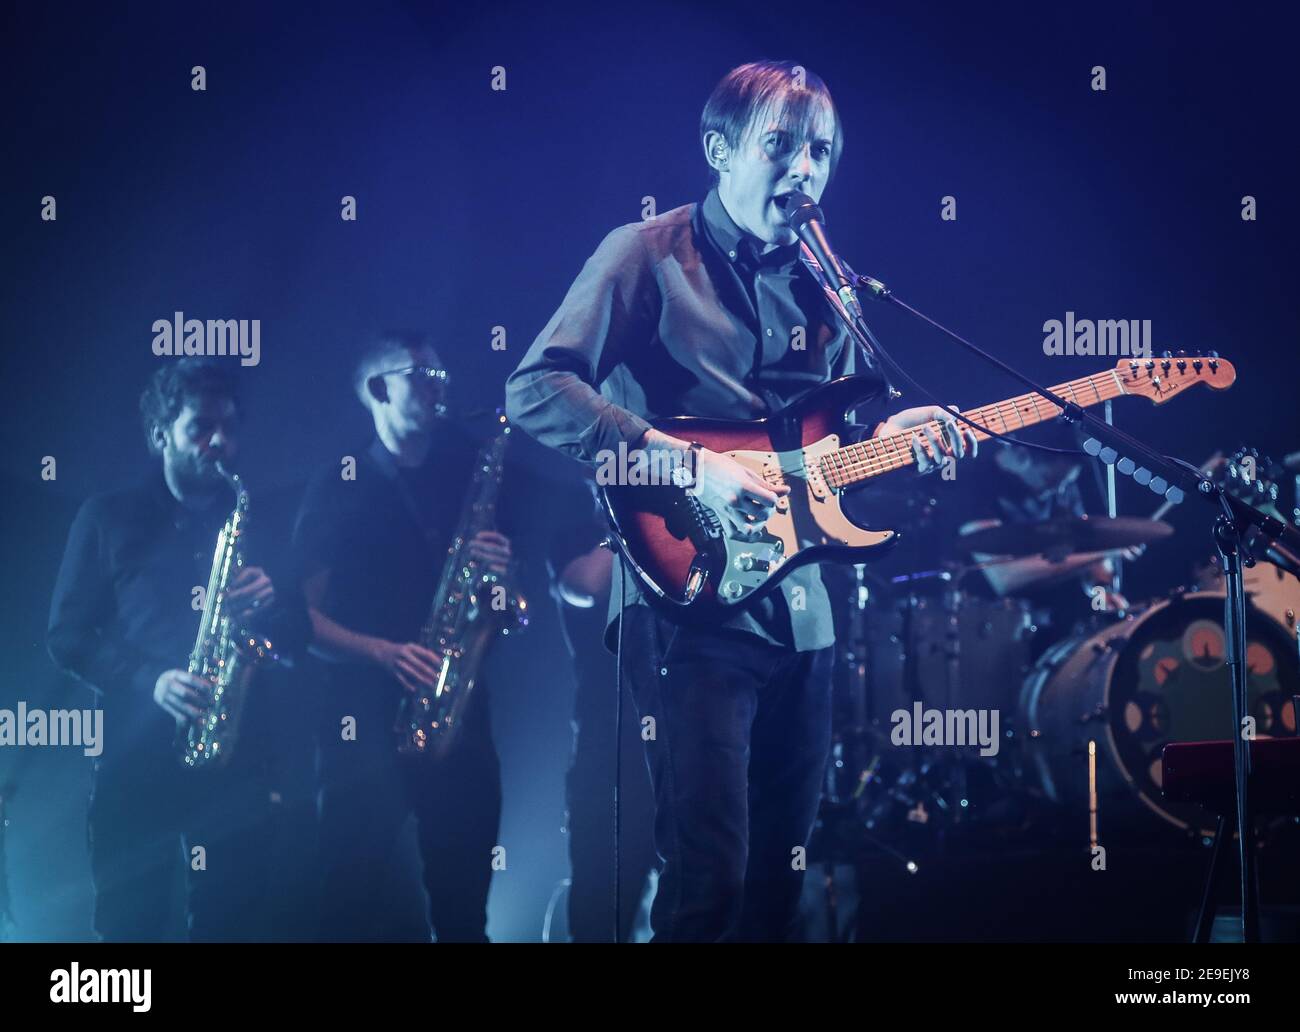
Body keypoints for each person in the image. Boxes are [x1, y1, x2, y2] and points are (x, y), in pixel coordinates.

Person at [506, 61, 976, 941]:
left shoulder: (828, 283)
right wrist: (685, 464)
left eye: (822, 152)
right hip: (687, 603)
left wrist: (896, 437)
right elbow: (535, 389)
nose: (806, 169)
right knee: (708, 880)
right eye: (782, 146)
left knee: (777, 891)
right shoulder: (646, 254)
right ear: (719, 150)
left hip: (805, 615)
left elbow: (828, 450)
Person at [47, 358, 308, 941]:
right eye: (201, 427)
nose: (219, 442)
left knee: (233, 923)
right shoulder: (107, 517)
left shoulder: (256, 521)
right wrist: (151, 679)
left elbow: (298, 637)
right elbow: (66, 635)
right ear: (160, 433)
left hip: (237, 758)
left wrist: (272, 606)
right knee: (129, 927)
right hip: (136, 757)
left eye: (230, 428)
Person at [293, 331, 513, 942]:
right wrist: (383, 653)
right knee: (347, 905)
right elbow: (300, 618)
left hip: (458, 715)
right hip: (362, 722)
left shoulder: (465, 472)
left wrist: (501, 575)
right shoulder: (338, 483)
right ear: (377, 389)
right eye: (420, 376)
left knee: (465, 916)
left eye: (441, 376)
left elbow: (504, 608)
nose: (438, 389)